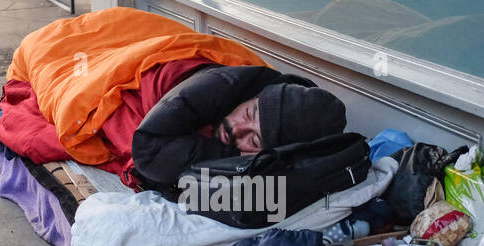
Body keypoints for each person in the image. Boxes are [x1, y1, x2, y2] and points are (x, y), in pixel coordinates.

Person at [128, 63, 347, 193]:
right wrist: (231, 153)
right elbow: (149, 152)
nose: (237, 128)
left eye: (253, 140)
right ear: (254, 96)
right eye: (249, 113)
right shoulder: (221, 85)